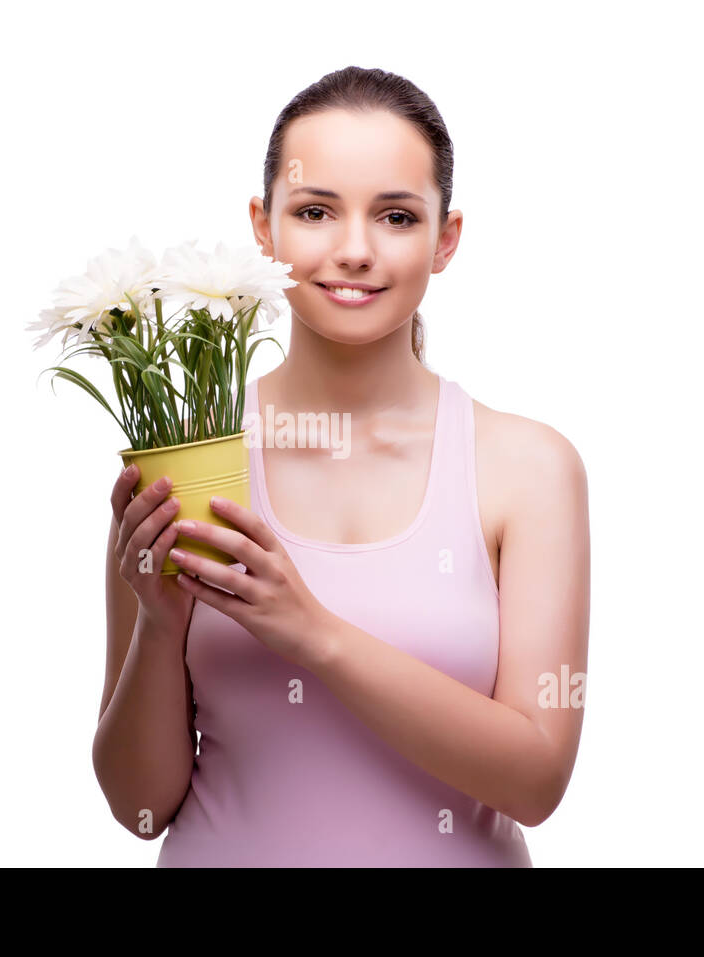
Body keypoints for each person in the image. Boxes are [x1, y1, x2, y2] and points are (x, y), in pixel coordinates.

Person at [93, 66, 591, 867]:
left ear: (446, 238)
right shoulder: (189, 458)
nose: (354, 251)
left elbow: (534, 782)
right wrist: (157, 622)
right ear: (264, 226)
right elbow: (141, 808)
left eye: (396, 215)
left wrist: (313, 633)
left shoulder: (529, 469)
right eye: (316, 210)